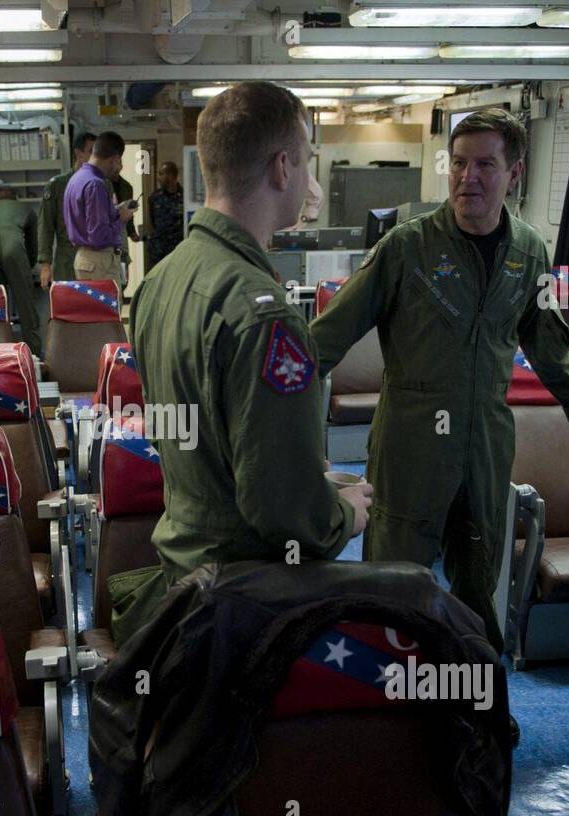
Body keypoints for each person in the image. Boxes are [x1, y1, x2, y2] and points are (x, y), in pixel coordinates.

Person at [310, 107, 569, 656]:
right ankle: (387, 713)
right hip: (411, 439)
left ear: (514, 173)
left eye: (486, 165)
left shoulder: (529, 250)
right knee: (394, 579)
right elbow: (325, 339)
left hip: (487, 441)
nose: (469, 177)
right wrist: (277, 405)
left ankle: (477, 705)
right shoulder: (407, 247)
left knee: (477, 580)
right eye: (460, 164)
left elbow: (545, 343)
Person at [122, 82, 372, 639]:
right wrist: (341, 515)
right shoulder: (263, 314)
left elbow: (207, 436)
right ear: (283, 167)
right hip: (252, 598)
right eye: (306, 160)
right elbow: (276, 501)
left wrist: (313, 480)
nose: (308, 178)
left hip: (189, 574)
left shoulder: (160, 281)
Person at [0, 182, 41, 355]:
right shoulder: (27, 210)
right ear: (16, 197)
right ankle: (33, 355)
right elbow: (33, 245)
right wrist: (29, 268)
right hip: (15, 256)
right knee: (26, 309)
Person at [63, 131, 136, 283]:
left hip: (86, 259)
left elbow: (87, 220)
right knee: (106, 307)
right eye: (119, 162)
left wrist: (116, 211)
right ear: (115, 159)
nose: (118, 167)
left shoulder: (77, 178)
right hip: (99, 261)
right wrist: (121, 220)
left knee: (93, 307)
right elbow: (98, 236)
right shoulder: (95, 184)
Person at [37, 131, 95, 290]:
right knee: (67, 308)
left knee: (94, 310)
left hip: (96, 257)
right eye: (91, 152)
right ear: (78, 153)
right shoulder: (57, 186)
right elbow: (46, 226)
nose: (95, 157)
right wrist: (45, 265)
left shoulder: (103, 185)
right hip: (67, 257)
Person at [146, 160, 184, 268]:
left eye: (161, 174)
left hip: (178, 250)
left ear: (171, 175)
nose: (158, 177)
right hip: (158, 251)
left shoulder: (184, 197)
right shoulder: (154, 198)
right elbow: (152, 222)